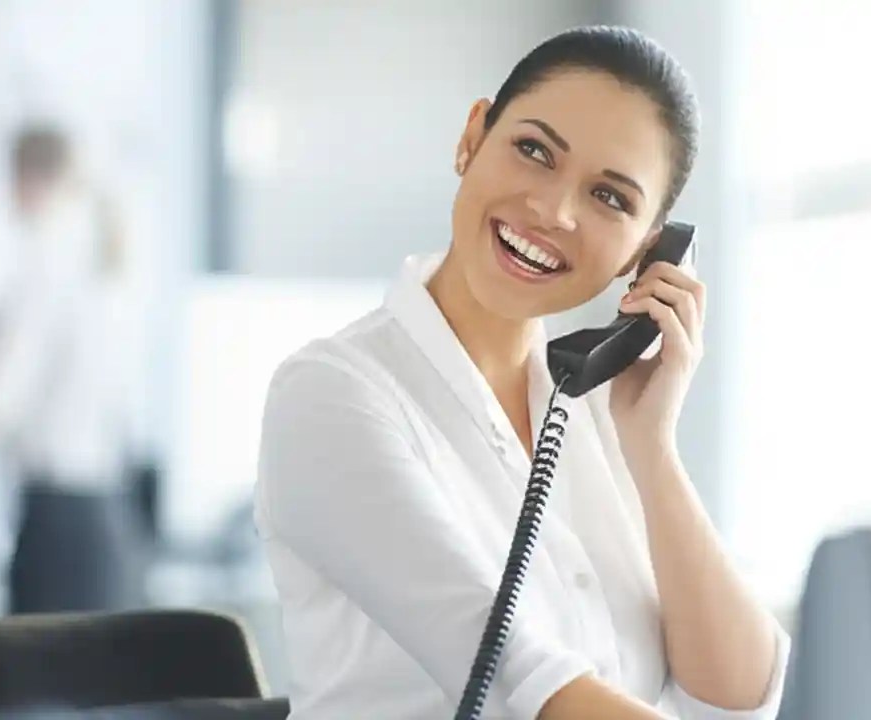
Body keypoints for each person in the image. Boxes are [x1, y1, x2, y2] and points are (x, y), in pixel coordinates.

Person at [254, 26, 789, 719]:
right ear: (472, 138)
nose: (553, 211)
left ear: (646, 253)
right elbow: (523, 684)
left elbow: (739, 700)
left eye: (610, 198)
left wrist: (652, 447)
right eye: (534, 151)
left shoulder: (595, 411)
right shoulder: (331, 394)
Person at [0, 125, 144, 614]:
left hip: (57, 522)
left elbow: (6, 389)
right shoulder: (97, 260)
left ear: (28, 180)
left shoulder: (45, 260)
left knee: (31, 660)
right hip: (103, 513)